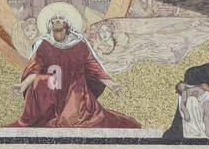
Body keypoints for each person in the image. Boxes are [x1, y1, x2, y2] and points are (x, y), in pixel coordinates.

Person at [9, 7, 140, 130]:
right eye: (54, 20)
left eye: (61, 19)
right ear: (50, 24)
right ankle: (45, 115)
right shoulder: (44, 45)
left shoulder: (79, 45)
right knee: (40, 80)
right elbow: (35, 69)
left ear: (67, 24)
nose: (57, 21)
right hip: (53, 90)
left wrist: (112, 84)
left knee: (70, 121)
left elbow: (94, 68)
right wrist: (23, 85)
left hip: (76, 89)